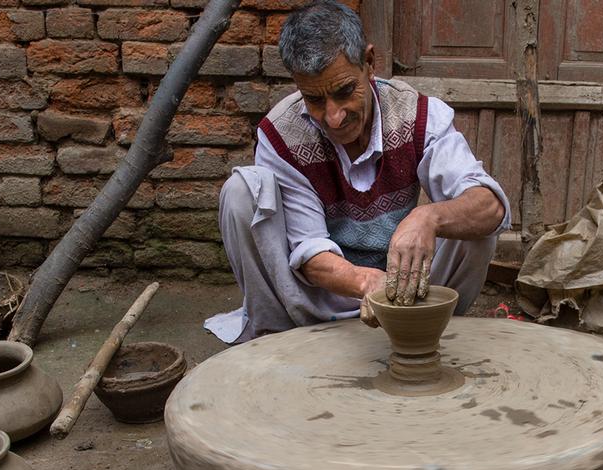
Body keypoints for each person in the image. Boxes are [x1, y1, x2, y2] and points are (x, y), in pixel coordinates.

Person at [205, 0, 510, 344]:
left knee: (476, 218)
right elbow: (309, 251)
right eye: (315, 100)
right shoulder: (281, 135)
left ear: (369, 62)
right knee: (240, 192)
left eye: (345, 91)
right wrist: (365, 282)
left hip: (407, 287)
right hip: (316, 296)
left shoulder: (418, 115)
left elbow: (492, 206)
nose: (333, 116)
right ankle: (274, 339)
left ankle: (432, 330)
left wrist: (429, 217)